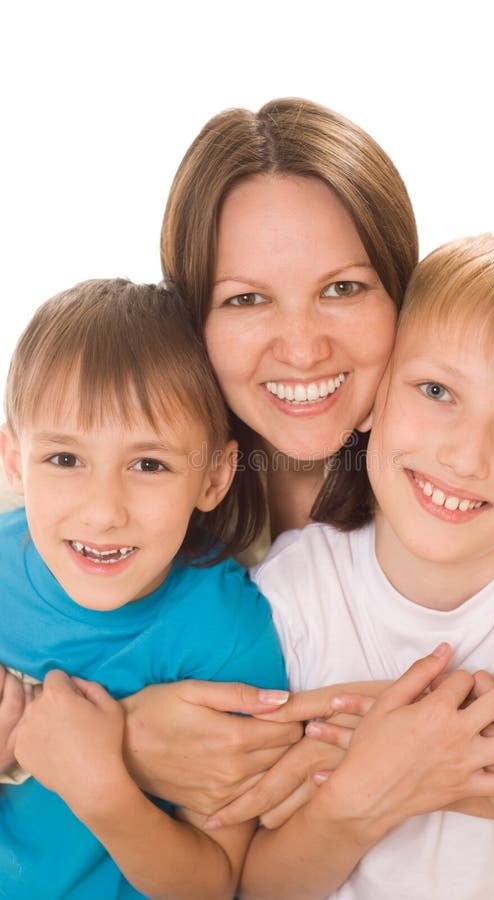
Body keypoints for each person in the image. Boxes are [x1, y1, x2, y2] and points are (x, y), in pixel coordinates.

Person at [1, 99, 494, 838]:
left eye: (343, 288)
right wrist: (111, 738)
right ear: (195, 318)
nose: (303, 347)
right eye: (247, 298)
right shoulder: (85, 479)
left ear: (400, 294)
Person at [238, 231, 494, 899]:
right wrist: (356, 797)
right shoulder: (294, 594)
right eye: (436, 390)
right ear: (373, 399)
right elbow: (259, 886)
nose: (466, 457)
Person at [0, 278, 291, 899]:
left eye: (149, 465)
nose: (103, 512)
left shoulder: (231, 637)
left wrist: (103, 792)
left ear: (213, 478)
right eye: (65, 460)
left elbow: (213, 884)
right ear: (13, 461)